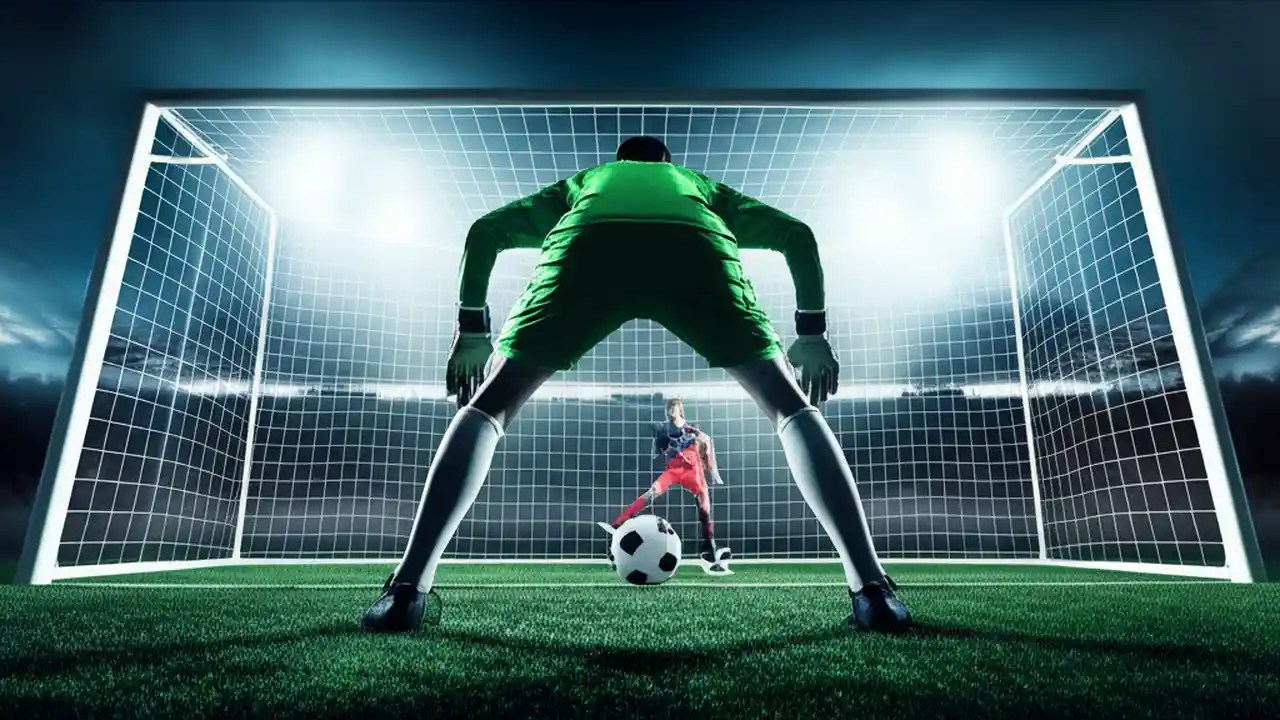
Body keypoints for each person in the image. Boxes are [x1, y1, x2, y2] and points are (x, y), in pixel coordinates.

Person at [363, 135, 912, 633]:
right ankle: (871, 590)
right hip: (694, 247)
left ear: (621, 160)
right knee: (790, 408)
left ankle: (407, 590)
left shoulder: (586, 182)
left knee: (489, 408)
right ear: (668, 164)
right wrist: (812, 333)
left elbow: (484, 232)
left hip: (589, 244)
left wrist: (473, 332)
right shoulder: (697, 186)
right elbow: (798, 235)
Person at [603, 398, 731, 573]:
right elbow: (660, 442)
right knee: (651, 494)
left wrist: (710, 467)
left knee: (704, 508)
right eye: (668, 408)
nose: (670, 411)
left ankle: (710, 547)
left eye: (673, 407)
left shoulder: (693, 430)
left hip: (693, 471)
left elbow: (706, 442)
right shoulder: (664, 429)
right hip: (673, 470)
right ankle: (618, 524)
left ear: (680, 410)